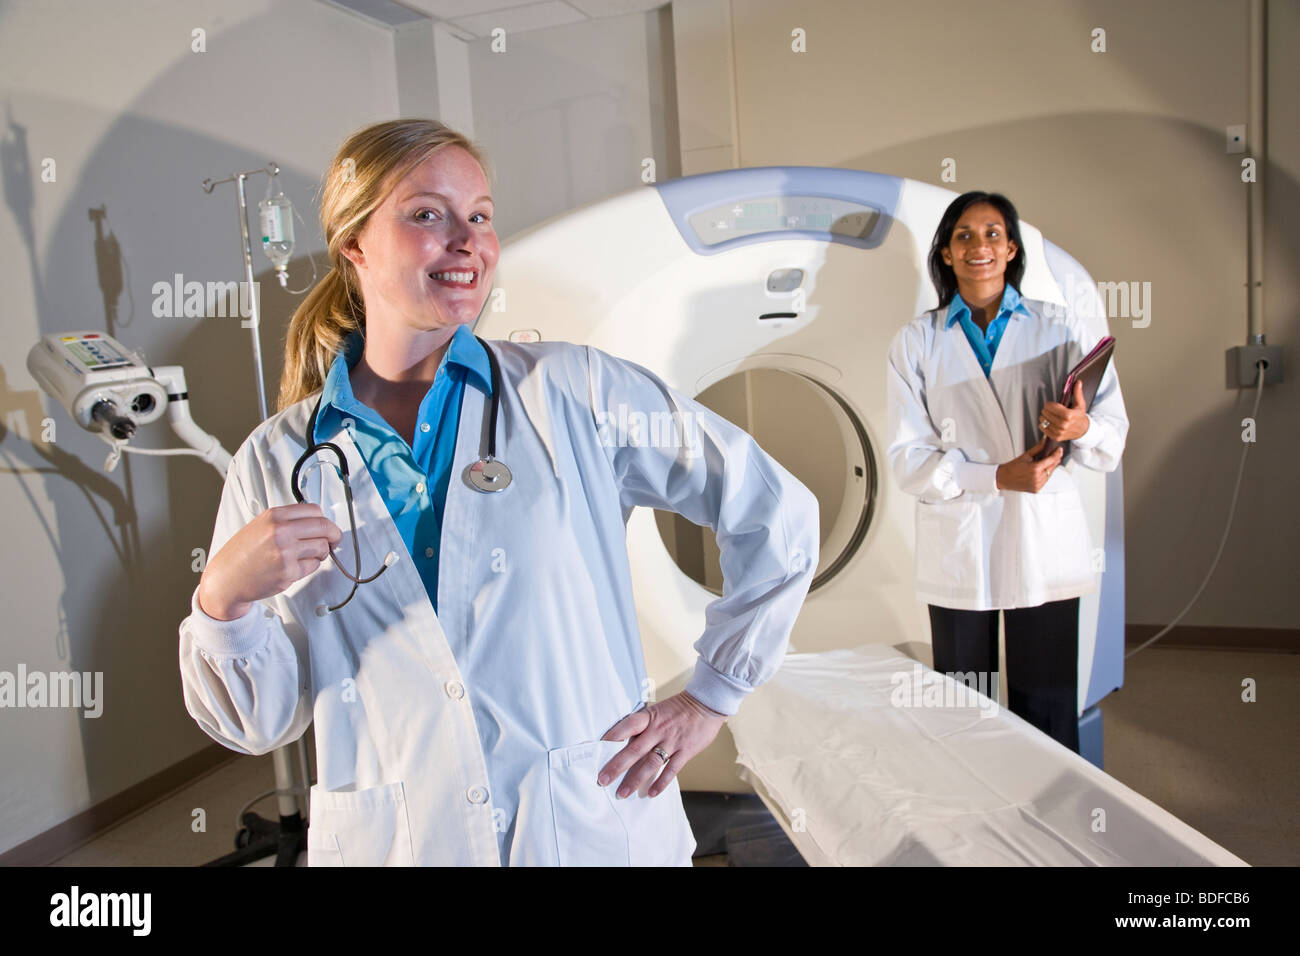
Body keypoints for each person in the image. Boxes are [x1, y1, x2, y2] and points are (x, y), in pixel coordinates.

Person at [177, 119, 818, 866]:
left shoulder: (576, 390)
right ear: (354, 244)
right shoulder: (279, 457)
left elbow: (775, 512)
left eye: (479, 216)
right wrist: (222, 602)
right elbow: (261, 722)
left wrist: (711, 696)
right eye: (426, 214)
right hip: (402, 844)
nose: (467, 241)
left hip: (586, 828)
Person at [885, 191, 1128, 753]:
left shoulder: (1062, 328)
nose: (979, 246)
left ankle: (1050, 821)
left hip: (1040, 527)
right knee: (962, 701)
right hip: (962, 534)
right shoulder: (916, 341)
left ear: (1012, 247)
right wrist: (995, 478)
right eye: (964, 236)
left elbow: (1110, 434)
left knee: (1045, 700)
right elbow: (906, 458)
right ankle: (968, 816)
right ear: (946, 253)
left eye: (993, 233)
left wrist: (1078, 429)